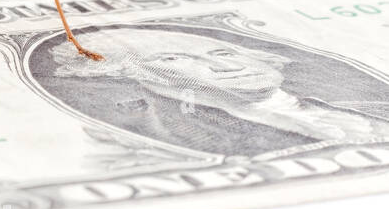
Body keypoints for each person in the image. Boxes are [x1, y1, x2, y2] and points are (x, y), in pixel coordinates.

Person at [48, 27, 389, 156]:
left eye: (224, 53)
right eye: (173, 59)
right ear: (129, 72)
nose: (226, 68)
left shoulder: (371, 103)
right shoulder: (157, 138)